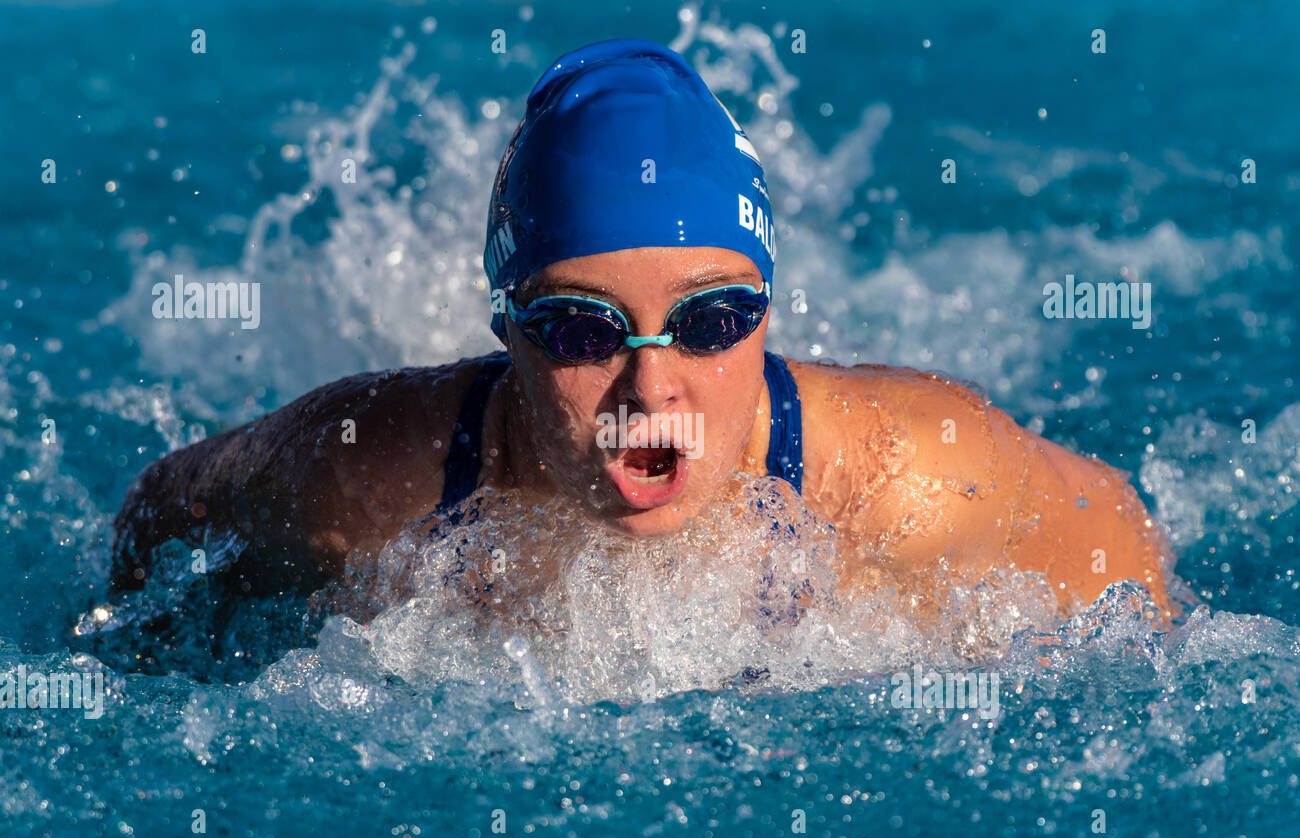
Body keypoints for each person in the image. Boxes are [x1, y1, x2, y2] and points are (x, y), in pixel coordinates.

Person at [111, 38, 1176, 622]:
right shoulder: (368, 477)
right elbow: (160, 513)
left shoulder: (908, 476)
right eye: (581, 331)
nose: (651, 393)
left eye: (712, 320)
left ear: (765, 310)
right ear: (509, 333)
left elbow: (1124, 546)